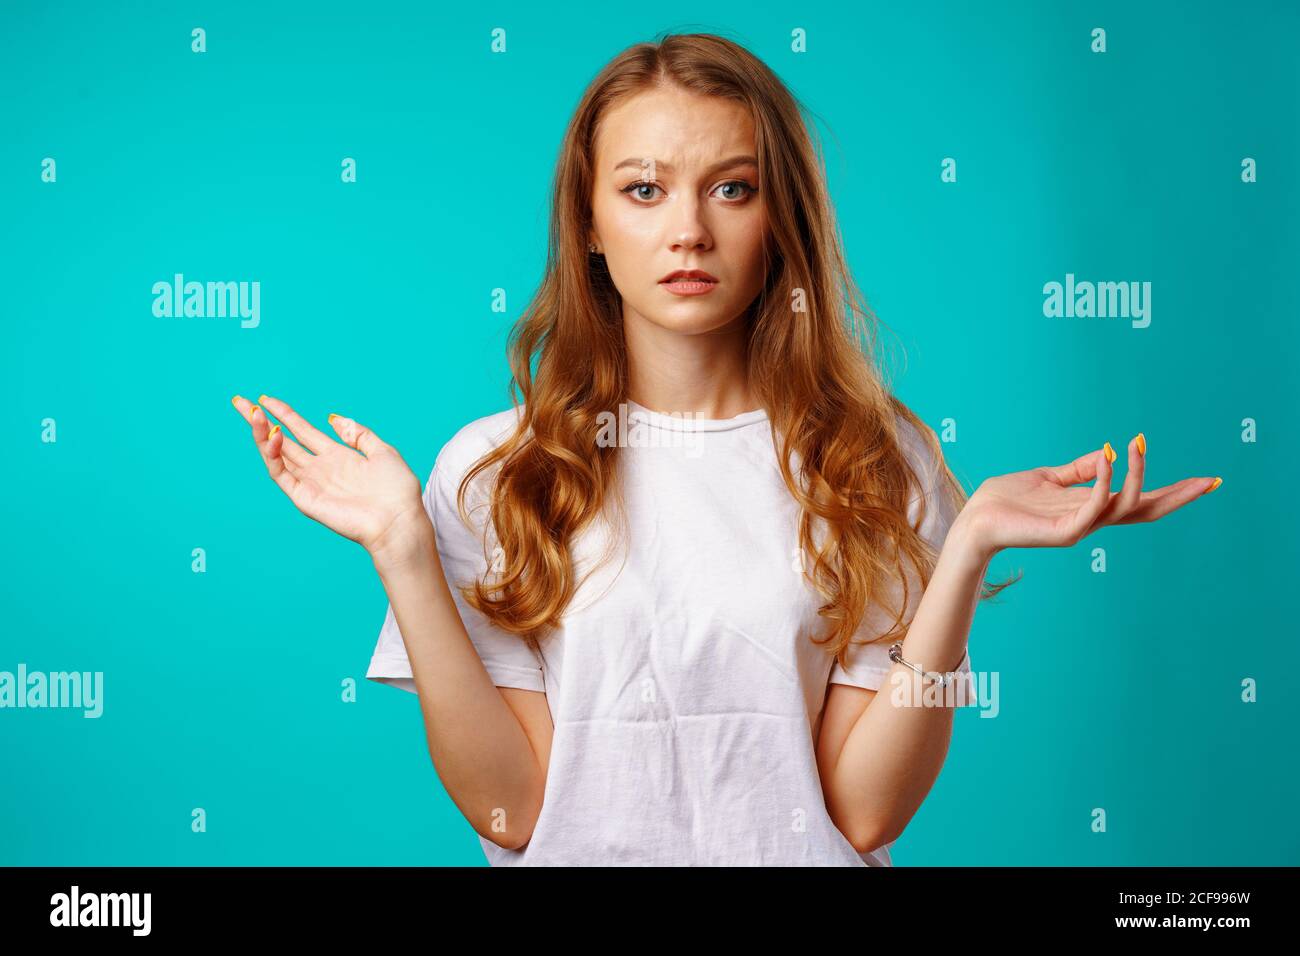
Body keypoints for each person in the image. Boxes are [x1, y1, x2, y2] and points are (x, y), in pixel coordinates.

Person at [229, 32, 1221, 866]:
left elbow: (865, 814)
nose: (689, 231)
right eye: (645, 188)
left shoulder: (875, 459)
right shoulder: (496, 471)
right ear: (590, 221)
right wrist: (403, 550)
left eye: (732, 188)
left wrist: (963, 553)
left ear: (779, 218)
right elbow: (515, 812)